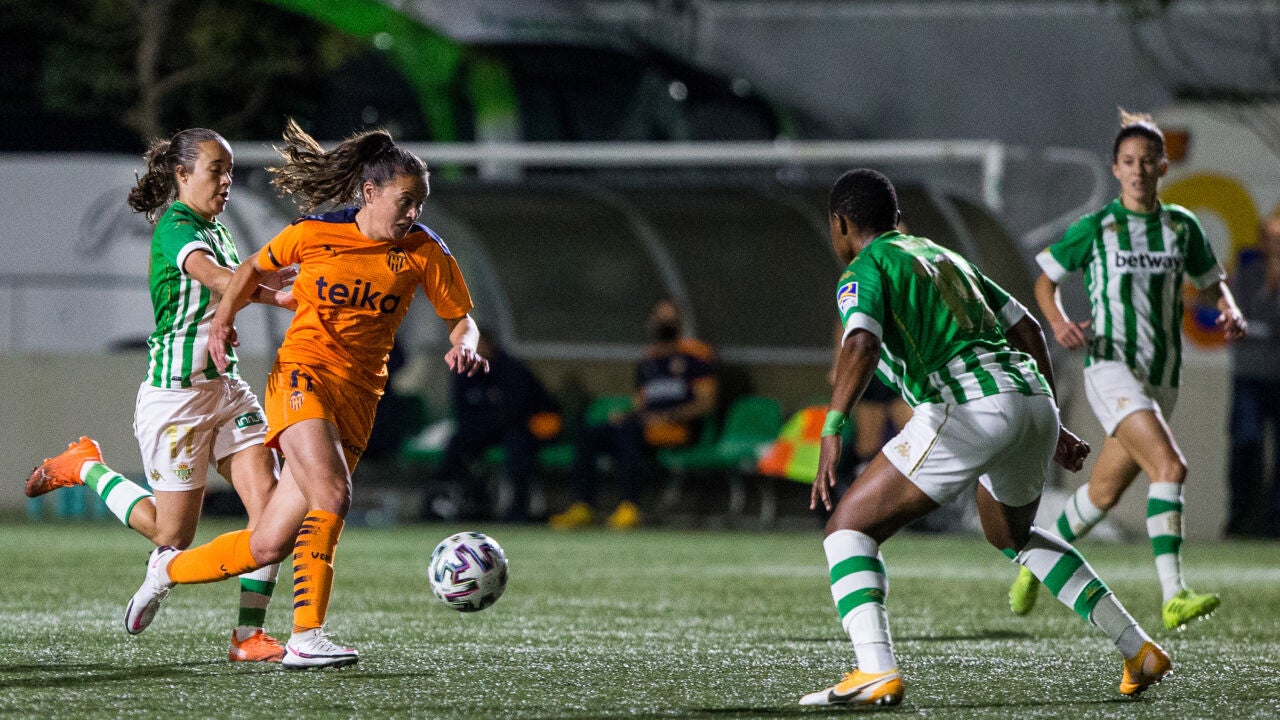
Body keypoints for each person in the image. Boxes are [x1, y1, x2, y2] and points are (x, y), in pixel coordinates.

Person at [121, 118, 488, 669]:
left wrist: (468, 343)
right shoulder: (314, 233)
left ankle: (166, 570)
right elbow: (247, 271)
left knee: (267, 543)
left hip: (359, 398)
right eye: (405, 201)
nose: (413, 214)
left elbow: (462, 319)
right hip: (301, 378)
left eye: (420, 203)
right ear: (370, 193)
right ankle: (306, 635)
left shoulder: (424, 250)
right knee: (332, 495)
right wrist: (222, 323)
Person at [800, 169, 1169, 707]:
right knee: (1013, 536)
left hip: (968, 405)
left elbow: (859, 341)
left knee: (847, 530)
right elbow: (1028, 329)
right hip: (1030, 400)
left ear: (841, 224)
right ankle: (1137, 648)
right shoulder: (944, 256)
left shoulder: (867, 266)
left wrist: (833, 427)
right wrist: (1056, 423)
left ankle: (875, 671)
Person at [24, 128, 296, 663]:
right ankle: (86, 467)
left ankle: (248, 636)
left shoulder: (218, 229)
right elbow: (222, 281)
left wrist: (259, 299)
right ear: (182, 175)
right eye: (216, 170)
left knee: (273, 516)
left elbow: (229, 288)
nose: (225, 181)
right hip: (177, 398)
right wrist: (282, 294)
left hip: (227, 390)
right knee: (172, 533)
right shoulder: (176, 227)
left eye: (230, 172)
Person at [1009, 110, 1247, 629]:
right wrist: (1059, 321)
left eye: (1147, 161)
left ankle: (1037, 556)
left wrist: (1227, 306)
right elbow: (1045, 281)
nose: (1138, 170)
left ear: (1163, 167)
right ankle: (1174, 594)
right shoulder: (1098, 227)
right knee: (1170, 468)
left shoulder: (1181, 227)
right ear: (1116, 170)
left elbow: (1209, 281)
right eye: (1127, 161)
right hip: (1111, 365)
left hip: (1162, 373)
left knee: (1102, 494)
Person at [548, 298, 718, 530]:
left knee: (628, 432)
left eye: (669, 317)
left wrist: (669, 416)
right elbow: (642, 404)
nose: (663, 322)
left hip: (678, 428)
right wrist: (627, 414)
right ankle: (582, 505)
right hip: (646, 425)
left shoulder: (695, 356)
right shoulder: (649, 361)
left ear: (679, 322)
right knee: (591, 434)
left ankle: (631, 506)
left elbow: (707, 402)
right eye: (659, 317)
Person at [431, 330, 560, 522]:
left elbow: (519, 410)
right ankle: (444, 502)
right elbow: (462, 410)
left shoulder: (511, 370)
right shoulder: (464, 371)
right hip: (487, 428)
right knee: (458, 443)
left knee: (518, 447)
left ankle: (519, 509)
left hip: (521, 427)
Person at [1224, 207, 1280, 537]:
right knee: (1246, 445)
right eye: (1272, 240)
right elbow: (1239, 321)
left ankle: (1274, 523)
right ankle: (1241, 518)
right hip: (1249, 378)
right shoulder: (1246, 275)